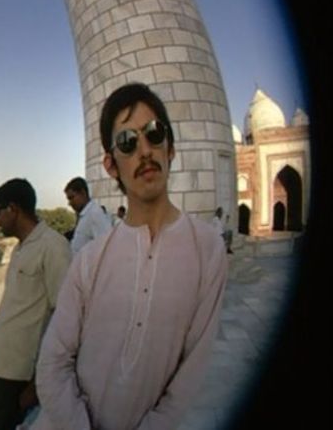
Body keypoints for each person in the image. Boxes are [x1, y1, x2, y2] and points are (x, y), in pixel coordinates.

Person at [32, 83, 228, 429]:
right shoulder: (91, 259)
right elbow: (52, 363)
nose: (145, 151)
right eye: (127, 141)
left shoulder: (207, 250)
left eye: (154, 134)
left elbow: (188, 380)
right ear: (111, 165)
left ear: (171, 149)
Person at [0, 178, 72, 430]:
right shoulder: (20, 249)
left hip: (17, 374)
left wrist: (37, 383)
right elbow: (8, 309)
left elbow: (65, 319)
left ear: (13, 208)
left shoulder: (53, 247)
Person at [64, 177, 112, 254]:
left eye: (71, 198)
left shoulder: (94, 214)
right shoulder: (85, 215)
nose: (70, 203)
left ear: (83, 193)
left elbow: (106, 249)